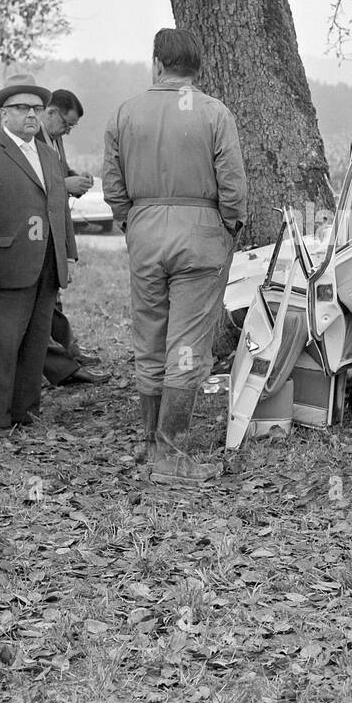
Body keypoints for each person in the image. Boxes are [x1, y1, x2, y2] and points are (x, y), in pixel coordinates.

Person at [102, 27, 247, 482]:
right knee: (186, 344)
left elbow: (113, 185)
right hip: (200, 237)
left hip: (145, 235)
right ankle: (169, 453)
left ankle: (150, 444)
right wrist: (228, 224)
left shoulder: (125, 113)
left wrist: (133, 221)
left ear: (157, 63)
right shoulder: (214, 113)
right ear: (196, 67)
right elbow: (233, 186)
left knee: (149, 338)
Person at [0, 78, 78, 435]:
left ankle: (24, 412)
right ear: (3, 114)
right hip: (3, 264)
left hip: (46, 265)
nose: (31, 115)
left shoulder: (47, 154)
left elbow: (58, 208)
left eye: (35, 109)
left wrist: (69, 255)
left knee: (35, 343)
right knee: (2, 344)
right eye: (21, 109)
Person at [40, 89, 103, 369]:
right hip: (38, 229)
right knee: (47, 301)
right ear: (51, 112)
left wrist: (76, 177)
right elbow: (29, 182)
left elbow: (59, 171)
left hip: (56, 228)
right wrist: (65, 186)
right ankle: (64, 358)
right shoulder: (32, 138)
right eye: (66, 124)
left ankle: (68, 352)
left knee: (54, 295)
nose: (67, 132)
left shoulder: (54, 139)